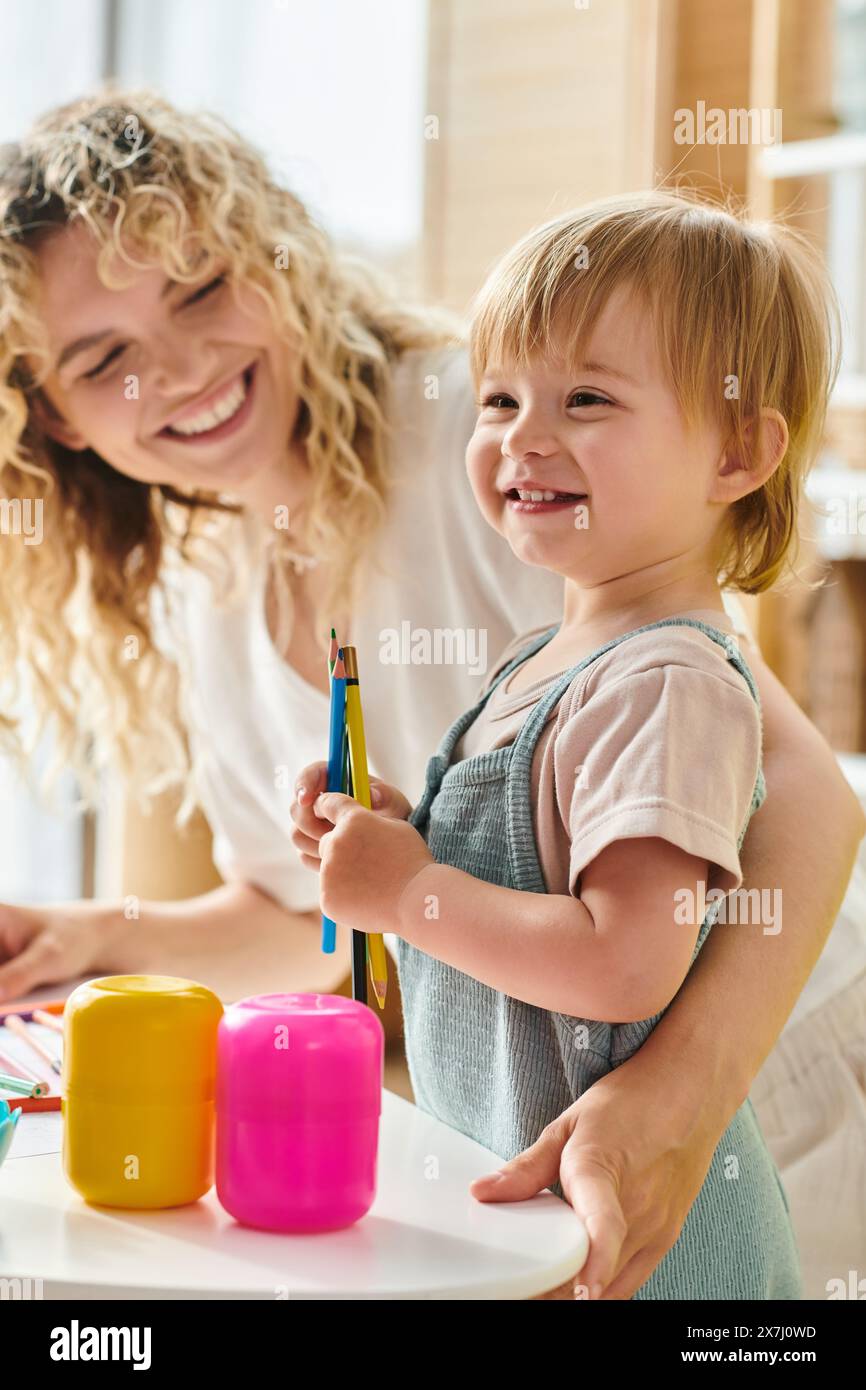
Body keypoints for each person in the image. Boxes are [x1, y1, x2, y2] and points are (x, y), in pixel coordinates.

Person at [0, 92, 861, 1299]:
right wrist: (95, 937)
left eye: (200, 290)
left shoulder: (494, 435)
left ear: (276, 261)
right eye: (103, 359)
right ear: (51, 414)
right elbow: (301, 906)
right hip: (543, 1133)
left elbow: (807, 796)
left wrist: (676, 1097)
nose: (182, 368)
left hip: (763, 1080)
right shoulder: (212, 578)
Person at [292, 189, 851, 1298]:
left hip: (644, 1247)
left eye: (585, 398)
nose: (520, 437)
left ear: (736, 453)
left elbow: (622, 956)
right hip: (544, 1218)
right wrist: (402, 836)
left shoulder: (669, 681)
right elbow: (535, 869)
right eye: (498, 397)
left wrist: (410, 897)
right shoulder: (541, 661)